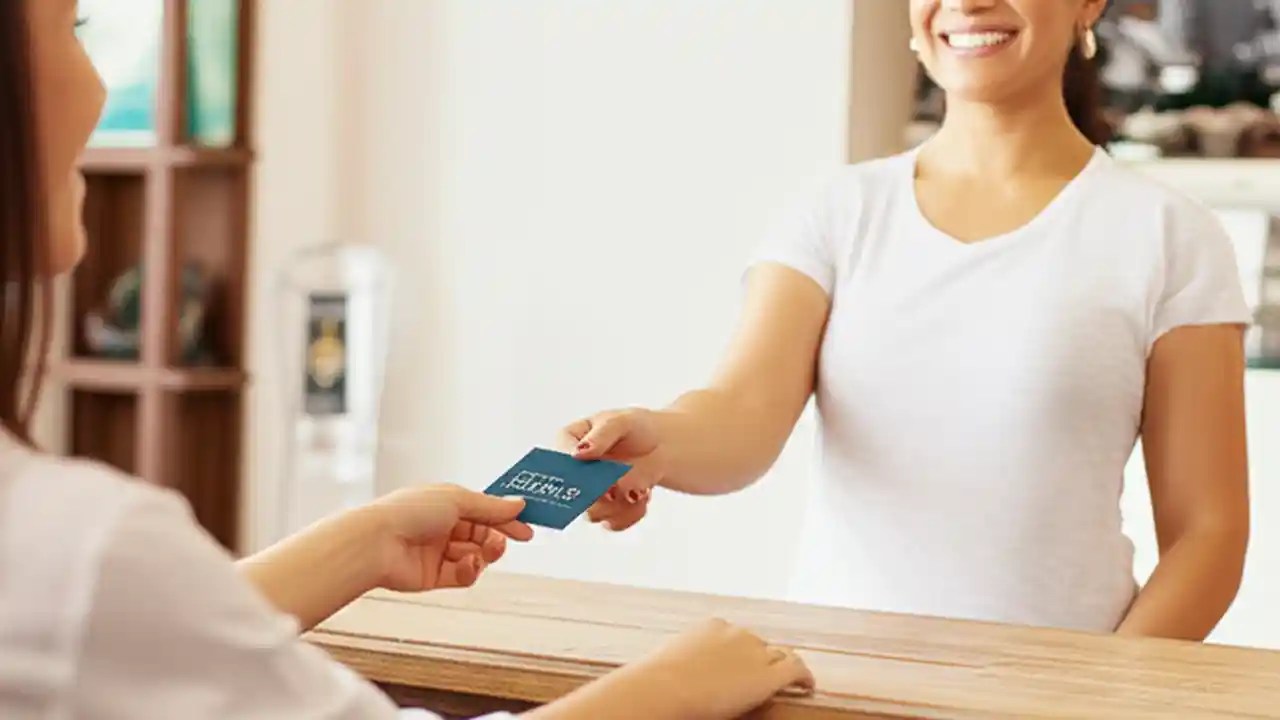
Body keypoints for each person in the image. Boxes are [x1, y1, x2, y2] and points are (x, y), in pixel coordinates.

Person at [0, 1, 815, 718]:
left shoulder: (70, 553)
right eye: (74, 27)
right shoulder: (76, 541)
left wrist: (362, 543)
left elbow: (120, 636)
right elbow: (97, 612)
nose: (104, 87)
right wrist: (669, 692)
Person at [560, 0, 1252, 642]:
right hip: (832, 688)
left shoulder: (1169, 235)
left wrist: (1100, 697)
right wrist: (653, 445)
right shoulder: (834, 210)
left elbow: (1208, 533)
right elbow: (741, 412)